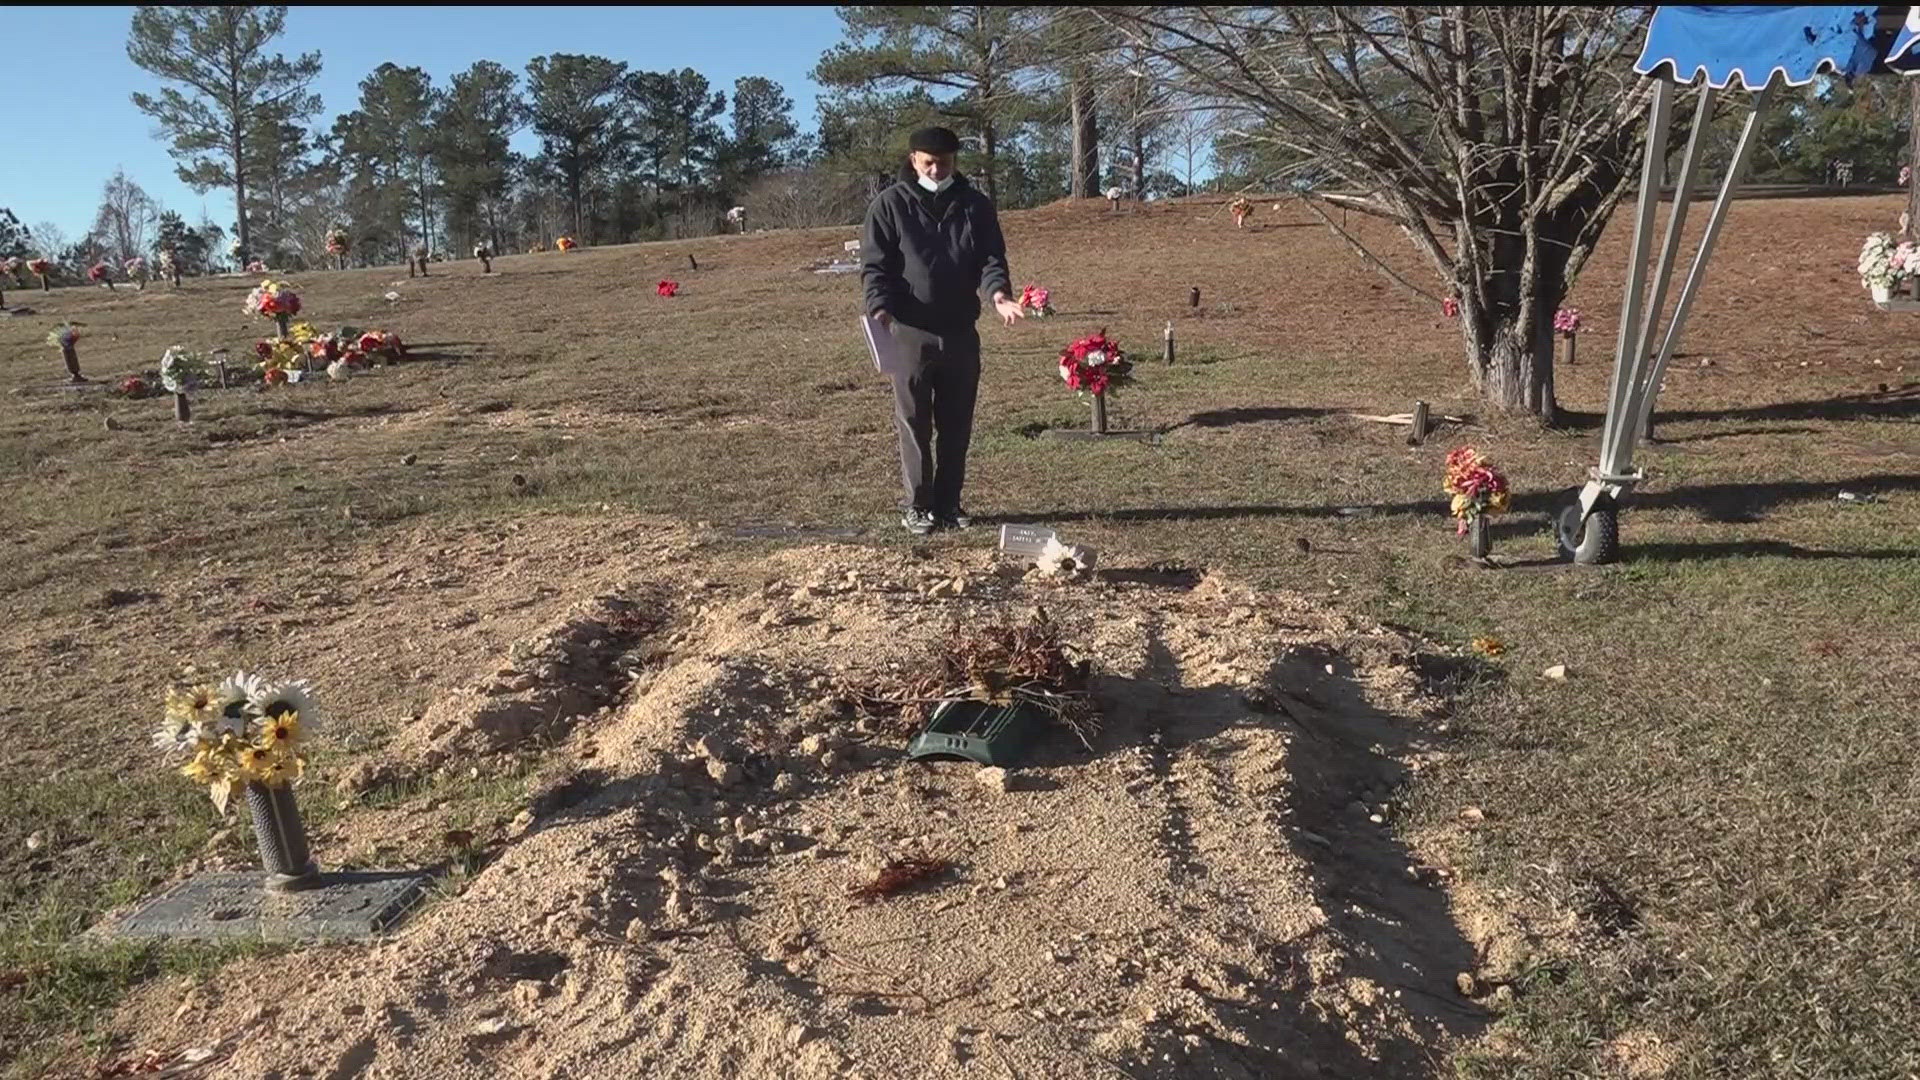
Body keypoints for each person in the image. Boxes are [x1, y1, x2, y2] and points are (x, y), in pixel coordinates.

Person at [861, 125, 1023, 535]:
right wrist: (880, 309)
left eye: (944, 162)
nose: (936, 169)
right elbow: (875, 267)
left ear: (955, 162)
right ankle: (918, 505)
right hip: (909, 333)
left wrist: (999, 296)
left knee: (957, 423)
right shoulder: (889, 205)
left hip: (960, 333)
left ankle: (949, 504)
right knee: (914, 421)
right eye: (928, 161)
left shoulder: (975, 206)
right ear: (913, 159)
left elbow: (990, 259)